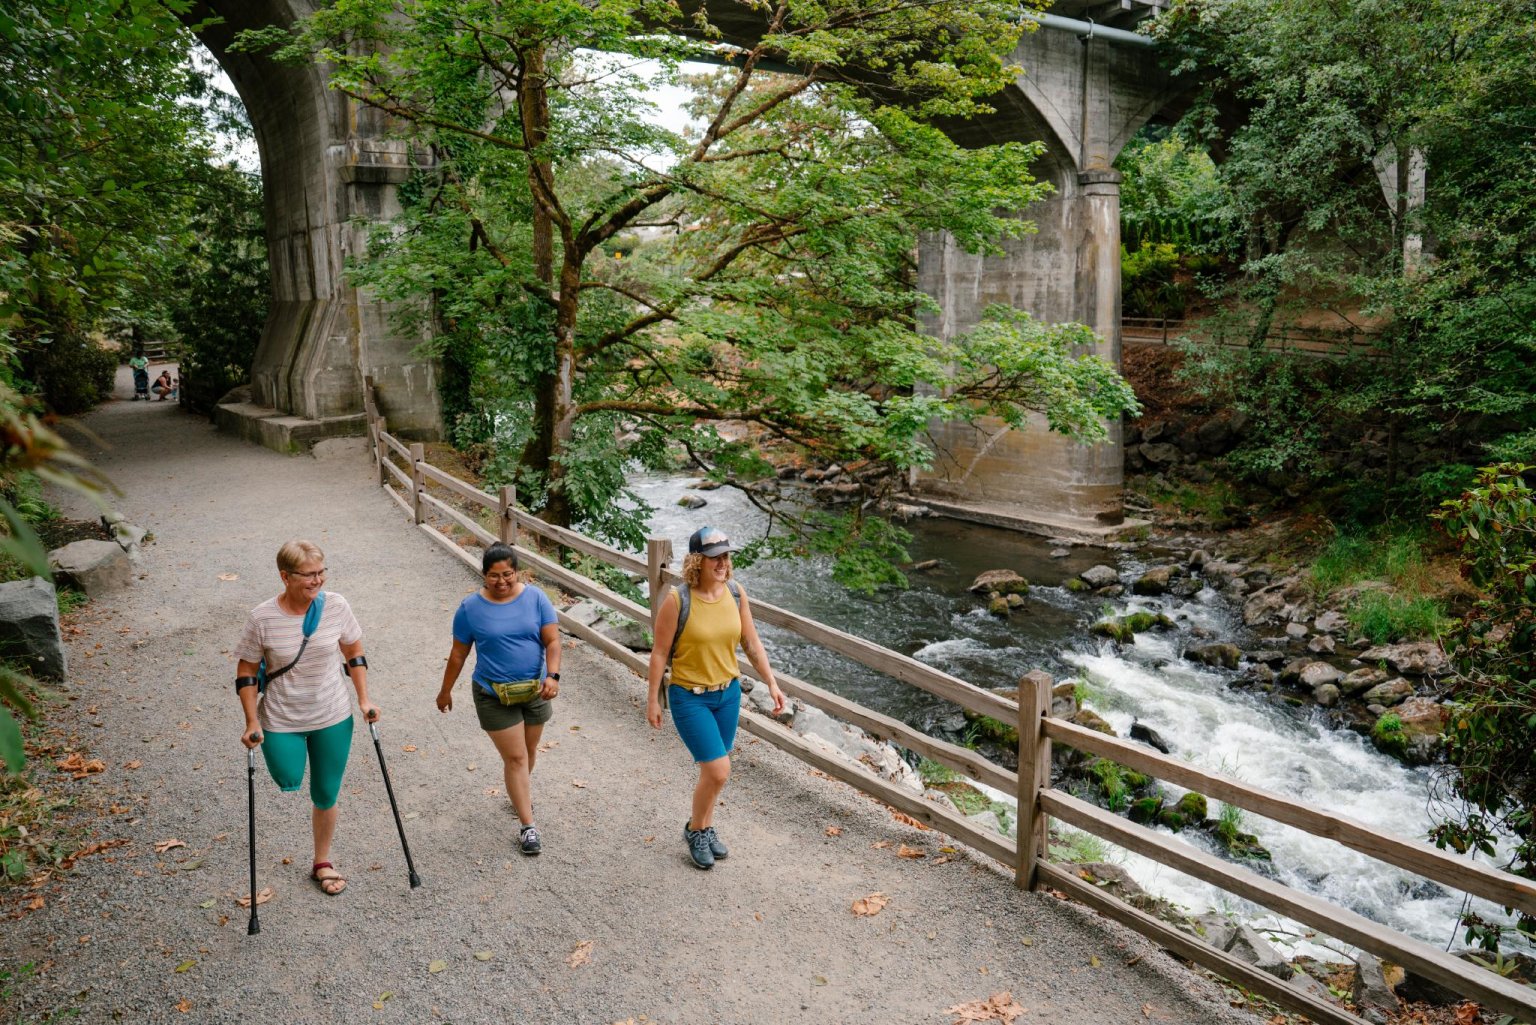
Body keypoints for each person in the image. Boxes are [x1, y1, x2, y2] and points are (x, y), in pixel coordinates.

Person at [234, 540, 378, 896]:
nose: (317, 581)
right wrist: (252, 722)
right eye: (309, 575)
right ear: (285, 577)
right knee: (288, 778)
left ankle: (322, 862)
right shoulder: (262, 617)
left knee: (326, 793)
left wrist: (364, 700)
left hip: (332, 713)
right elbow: (247, 671)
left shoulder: (337, 606)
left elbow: (354, 651)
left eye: (321, 572)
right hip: (282, 718)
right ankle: (289, 767)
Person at [646, 526, 784, 869]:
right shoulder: (679, 600)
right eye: (714, 557)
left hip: (728, 695)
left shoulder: (735, 594)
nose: (722, 563)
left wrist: (772, 683)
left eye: (725, 556)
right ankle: (695, 829)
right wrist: (653, 699)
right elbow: (660, 654)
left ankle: (705, 828)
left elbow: (751, 644)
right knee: (720, 770)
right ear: (697, 561)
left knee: (713, 772)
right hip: (689, 698)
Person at [436, 543, 561, 856]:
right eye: (494, 575)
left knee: (529, 751)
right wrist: (445, 690)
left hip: (535, 690)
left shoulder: (536, 598)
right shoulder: (470, 608)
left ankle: (517, 793)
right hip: (492, 693)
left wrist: (553, 676)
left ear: (517, 572)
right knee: (516, 758)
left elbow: (553, 641)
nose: (502, 581)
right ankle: (528, 826)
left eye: (508, 574)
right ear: (484, 574)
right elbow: (458, 653)